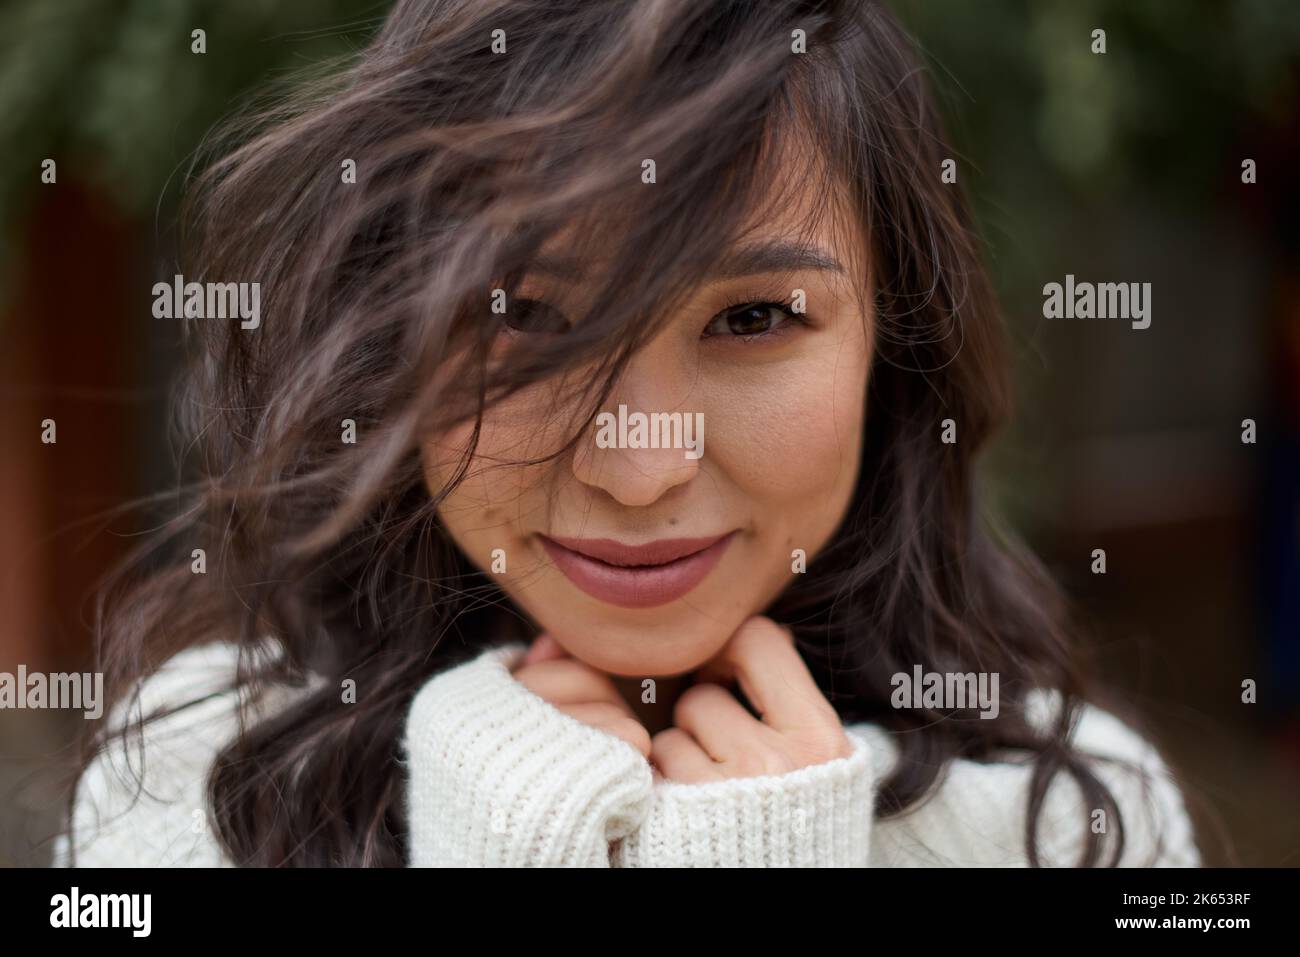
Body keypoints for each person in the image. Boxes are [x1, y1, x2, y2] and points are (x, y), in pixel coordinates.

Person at [56, 0, 1199, 868]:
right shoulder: (198, 778)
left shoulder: (1076, 816)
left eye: (754, 318)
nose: (643, 470)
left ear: (890, 349)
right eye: (524, 319)